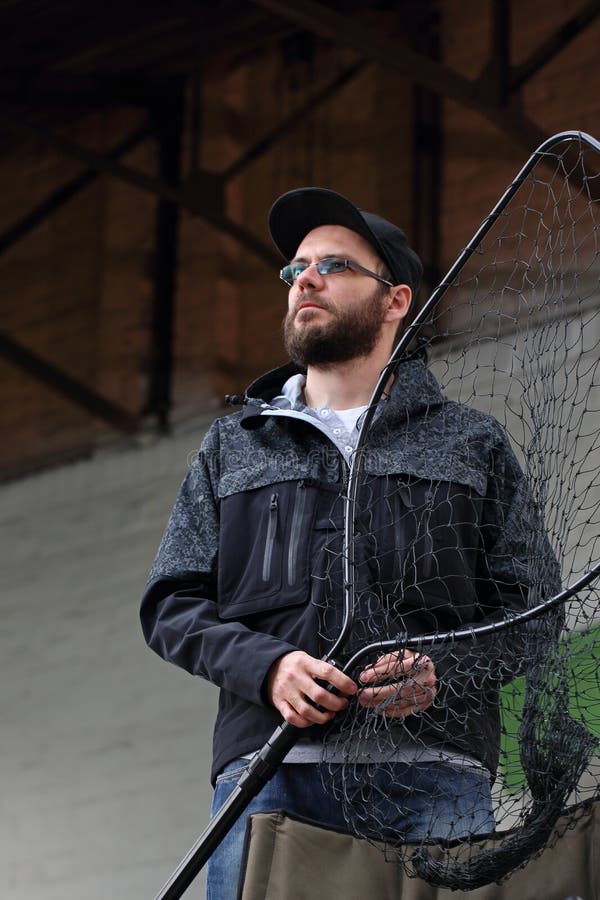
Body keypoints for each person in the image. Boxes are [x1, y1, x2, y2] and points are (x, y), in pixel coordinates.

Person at [140, 188, 542, 900]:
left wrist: (442, 670)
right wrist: (267, 668)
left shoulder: (470, 442)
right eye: (295, 268)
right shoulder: (235, 445)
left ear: (395, 301)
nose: (306, 280)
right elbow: (172, 604)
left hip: (437, 773)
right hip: (270, 774)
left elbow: (534, 612)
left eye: (334, 264)